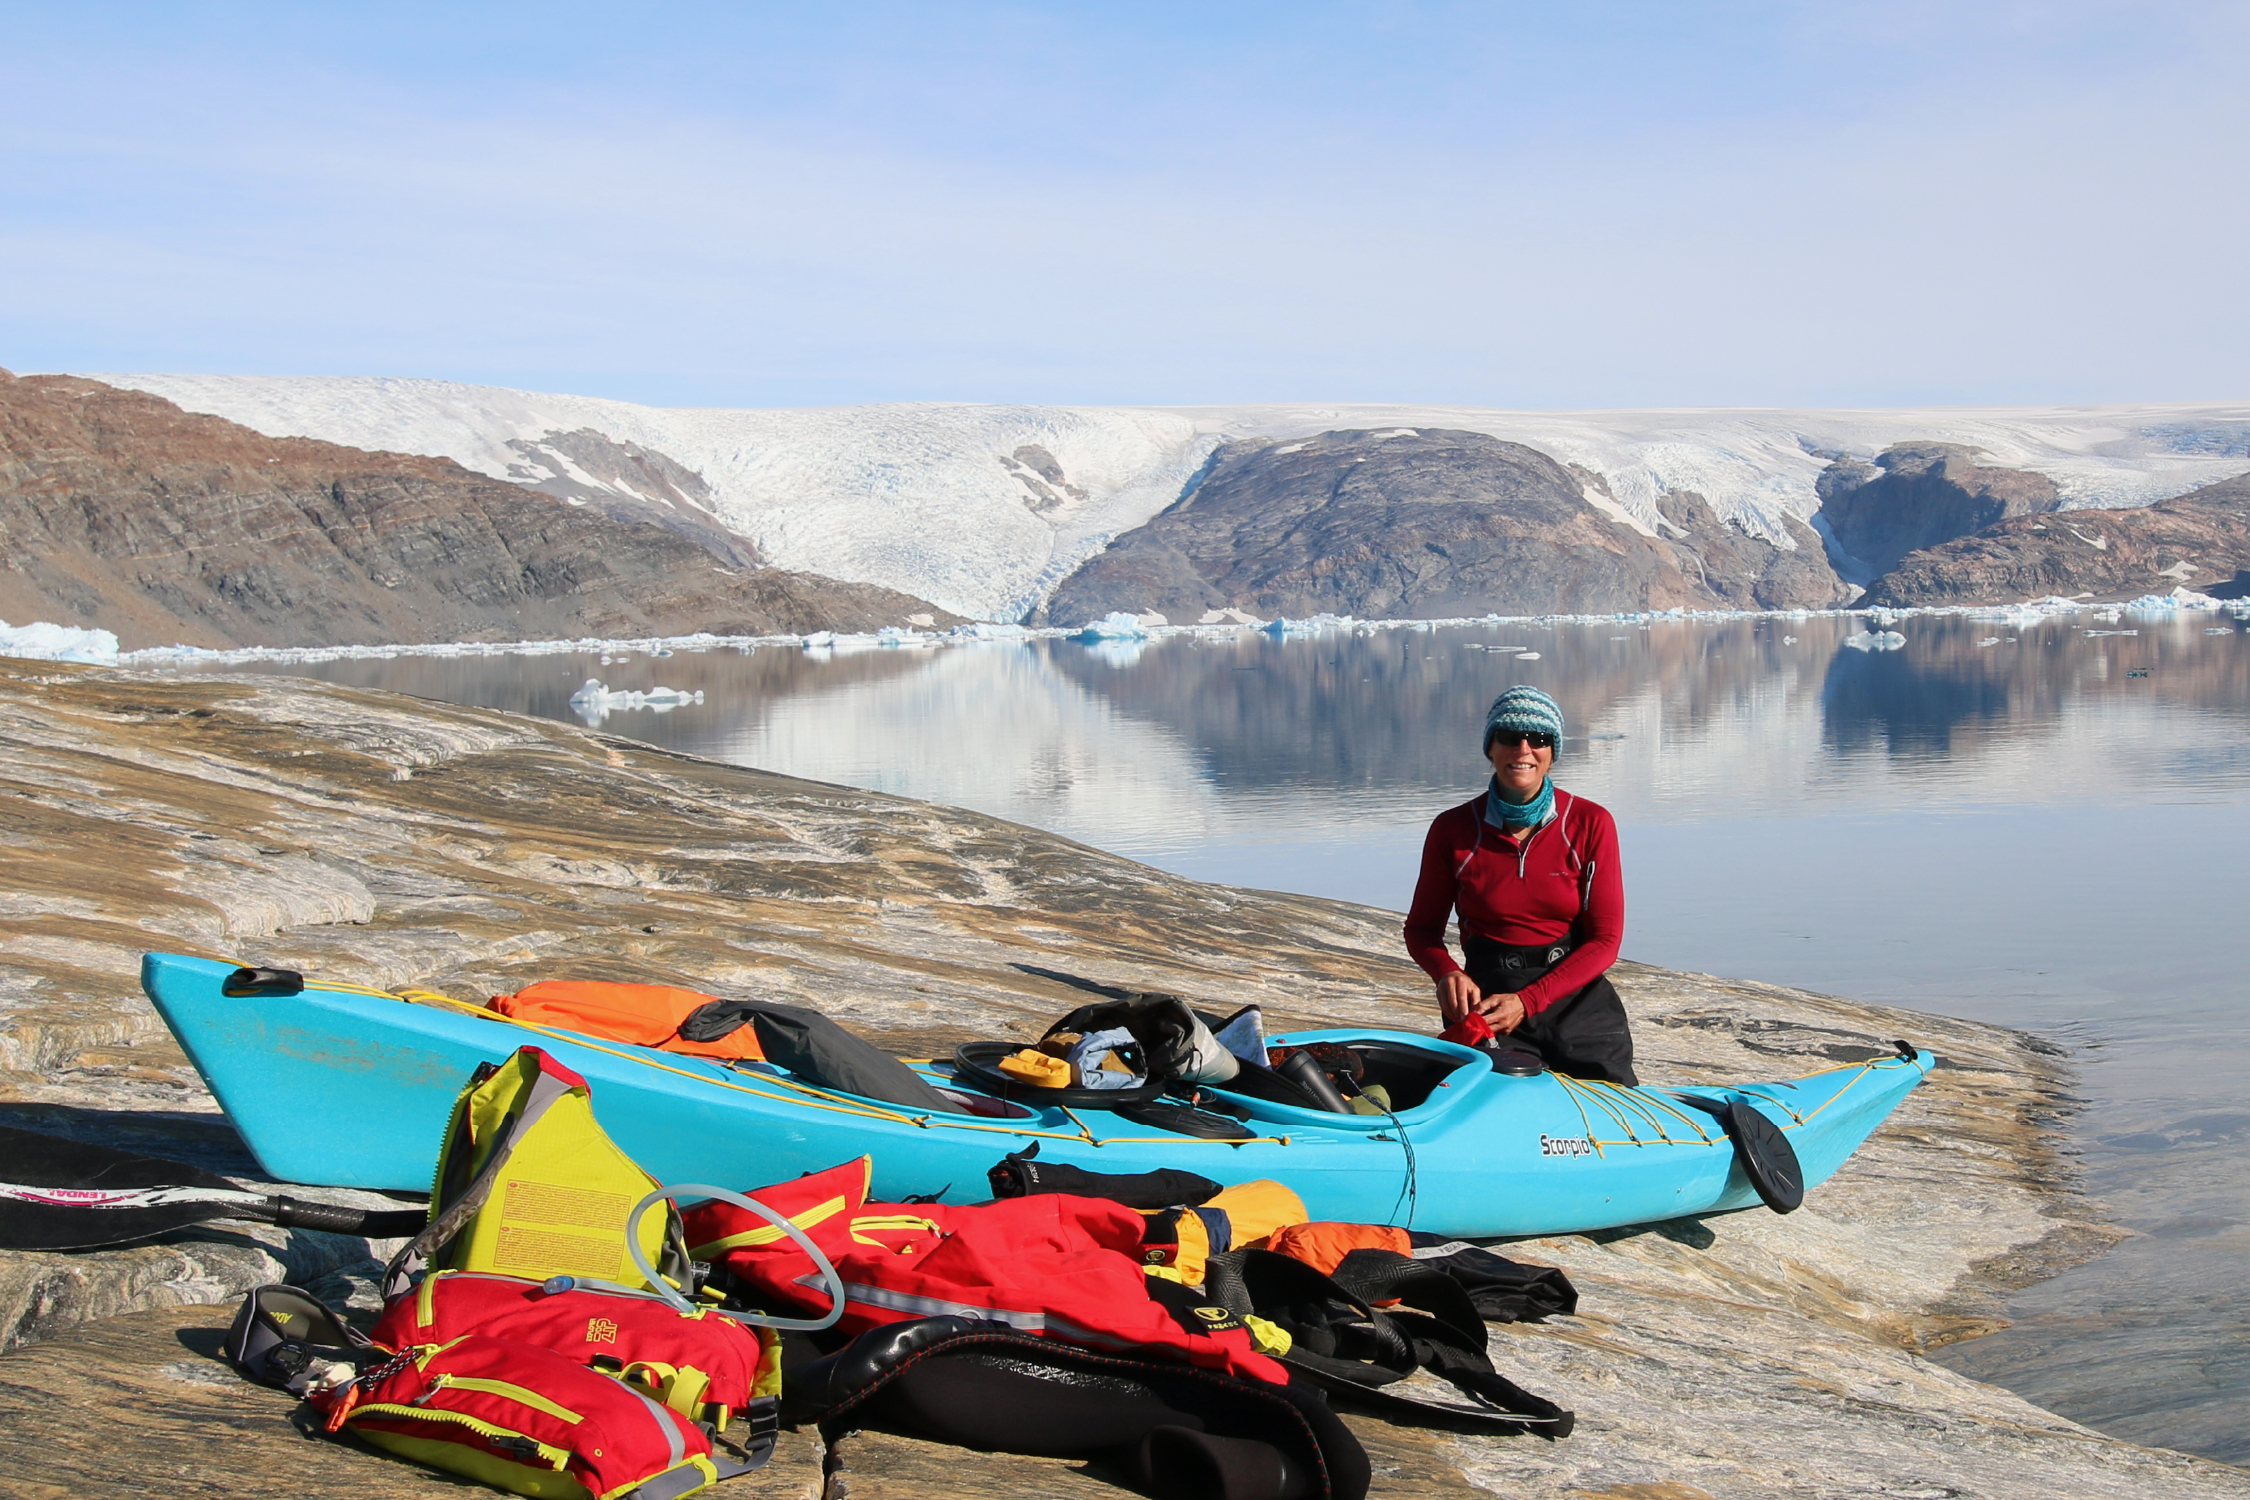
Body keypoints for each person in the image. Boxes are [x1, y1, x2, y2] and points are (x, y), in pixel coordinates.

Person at [1402, 685, 1636, 1085]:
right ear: (1491, 748)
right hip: (1489, 1002)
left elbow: (1606, 940)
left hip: (1577, 1001)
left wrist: (1528, 1001)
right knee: (1505, 1107)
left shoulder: (1590, 823)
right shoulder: (1454, 830)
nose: (1523, 749)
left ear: (1552, 752)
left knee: (1612, 1111)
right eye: (1510, 736)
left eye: (1539, 739)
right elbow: (1422, 929)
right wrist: (1446, 974)